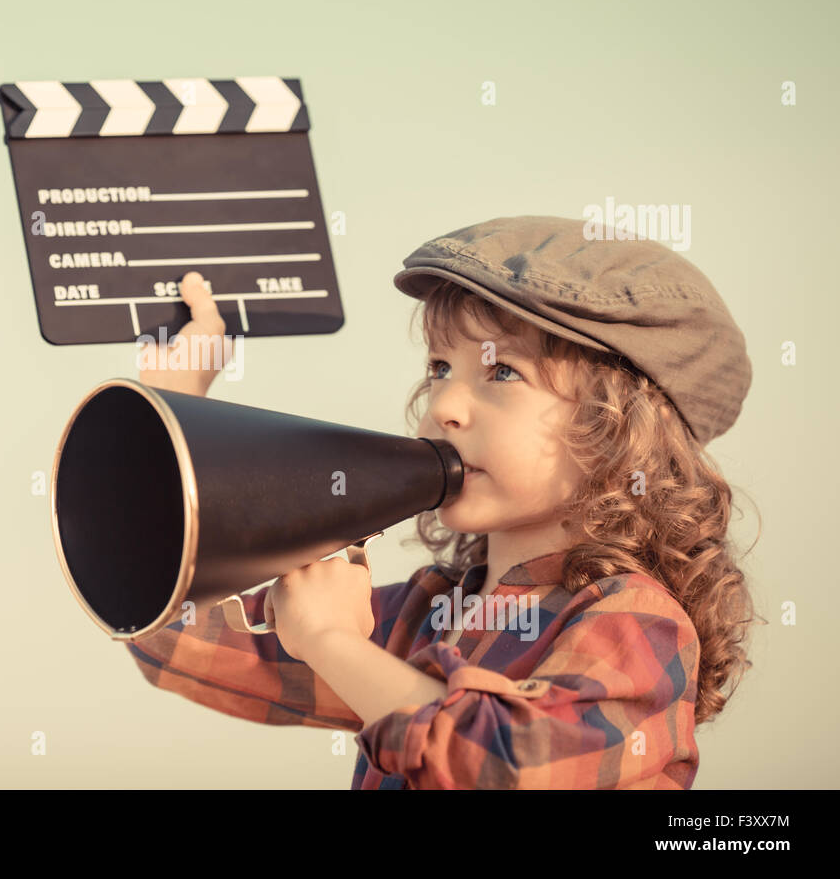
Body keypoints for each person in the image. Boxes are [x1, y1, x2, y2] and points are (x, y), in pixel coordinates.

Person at [123, 215, 763, 789]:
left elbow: (504, 768)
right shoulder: (425, 614)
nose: (443, 407)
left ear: (618, 430)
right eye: (439, 368)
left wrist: (328, 640)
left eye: (503, 373)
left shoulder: (633, 620)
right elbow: (176, 639)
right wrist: (180, 427)